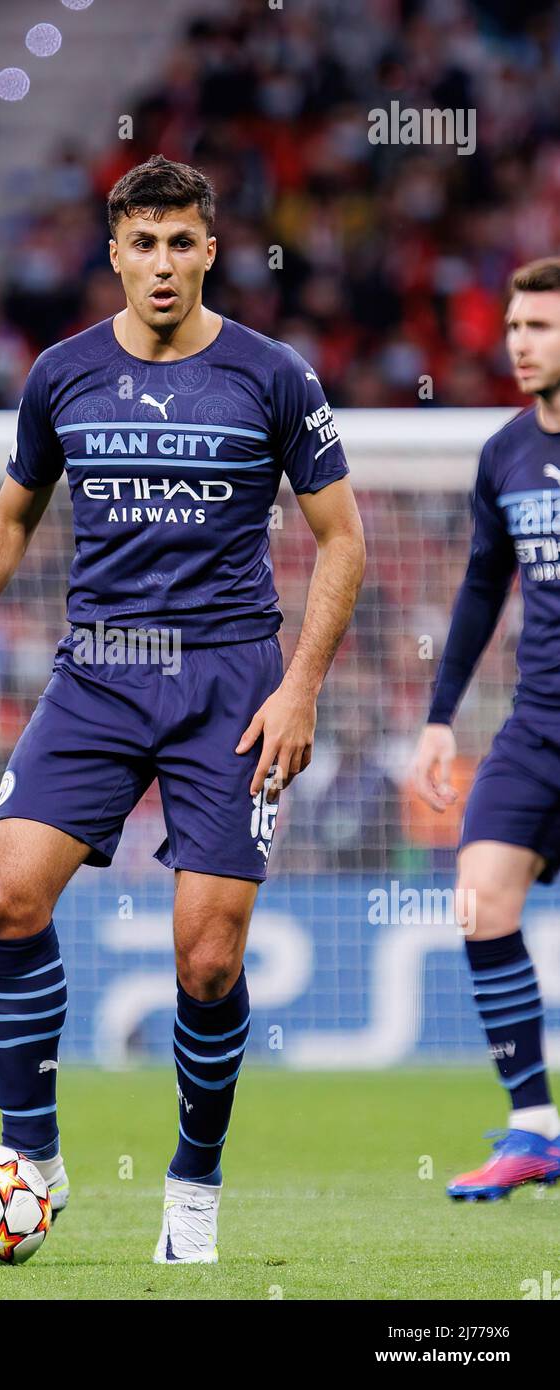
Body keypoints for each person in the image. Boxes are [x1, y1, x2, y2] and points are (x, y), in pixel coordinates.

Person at [0, 156, 365, 1262]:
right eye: (140, 243)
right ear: (112, 252)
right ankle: (36, 1165)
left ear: (210, 251)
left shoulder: (273, 376)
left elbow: (340, 537)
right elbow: (11, 518)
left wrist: (299, 685)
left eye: (179, 243)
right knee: (6, 897)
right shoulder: (62, 375)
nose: (160, 264)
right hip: (99, 672)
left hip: (230, 685)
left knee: (204, 960)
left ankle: (191, 1198)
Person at [413, 257, 560, 1200]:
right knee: (478, 900)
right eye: (515, 325)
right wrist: (438, 719)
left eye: (540, 327)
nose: (521, 341)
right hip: (536, 728)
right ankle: (535, 1127)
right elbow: (479, 588)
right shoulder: (505, 452)